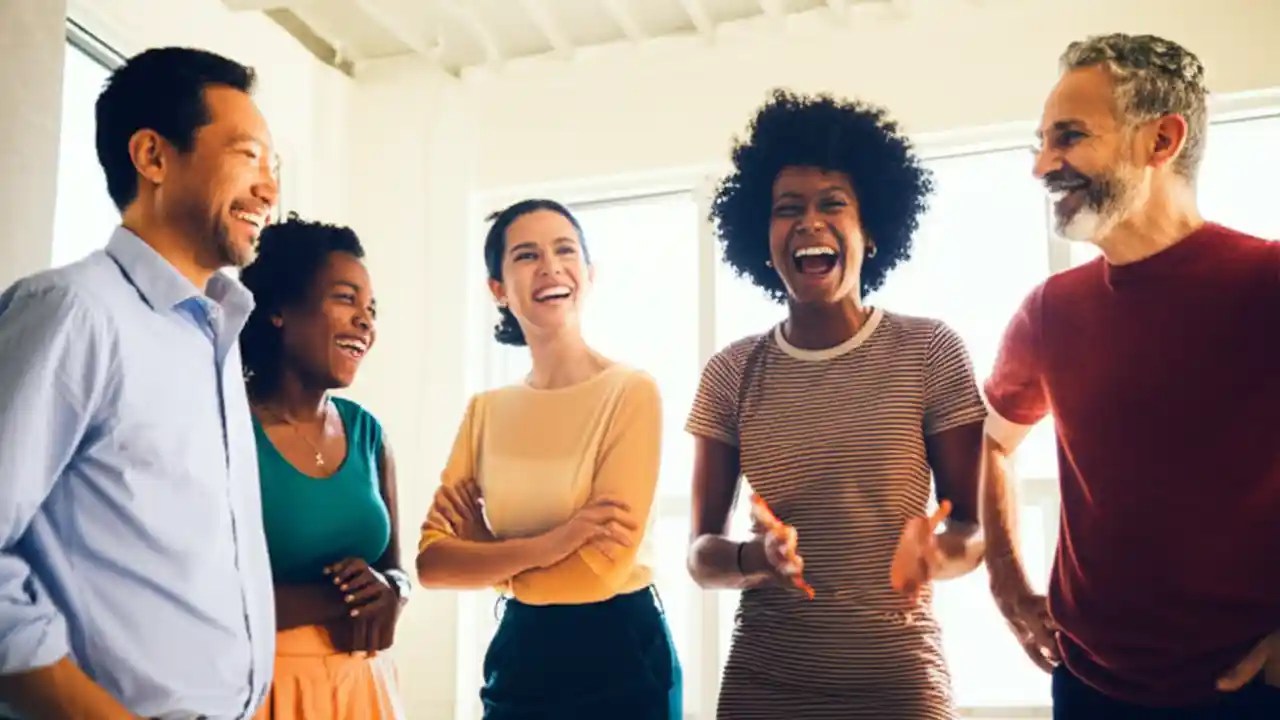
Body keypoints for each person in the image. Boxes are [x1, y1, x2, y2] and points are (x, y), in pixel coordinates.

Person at [982, 33, 1280, 718]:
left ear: (1161, 140)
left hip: (1248, 695)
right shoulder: (1048, 310)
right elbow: (995, 442)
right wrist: (1006, 583)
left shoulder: (1267, 284)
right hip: (1085, 688)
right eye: (1041, 142)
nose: (1041, 166)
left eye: (1069, 137)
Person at [684, 89, 987, 719]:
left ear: (869, 231)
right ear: (763, 235)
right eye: (787, 208)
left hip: (899, 682)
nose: (809, 222)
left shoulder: (929, 350)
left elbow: (973, 529)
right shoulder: (731, 372)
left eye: (832, 204)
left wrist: (936, 553)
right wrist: (755, 559)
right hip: (764, 686)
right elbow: (701, 555)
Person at [0, 47, 277, 718]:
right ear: (153, 156)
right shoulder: (74, 311)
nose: (270, 190)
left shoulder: (214, 334)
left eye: (275, 167)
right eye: (248, 156)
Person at [416, 199, 681, 719]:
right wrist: (554, 543)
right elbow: (434, 564)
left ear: (589, 273)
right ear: (498, 289)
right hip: (522, 652)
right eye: (526, 255)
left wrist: (490, 556)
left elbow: (599, 574)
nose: (550, 267)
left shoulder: (631, 391)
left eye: (565, 250)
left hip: (622, 654)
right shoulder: (485, 411)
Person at [238, 216, 408, 719]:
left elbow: (396, 570)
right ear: (279, 310)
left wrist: (394, 591)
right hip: (264, 688)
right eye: (345, 299)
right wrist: (339, 599)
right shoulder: (225, 428)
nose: (365, 322)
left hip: (365, 690)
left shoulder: (368, 434)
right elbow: (207, 599)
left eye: (371, 309)